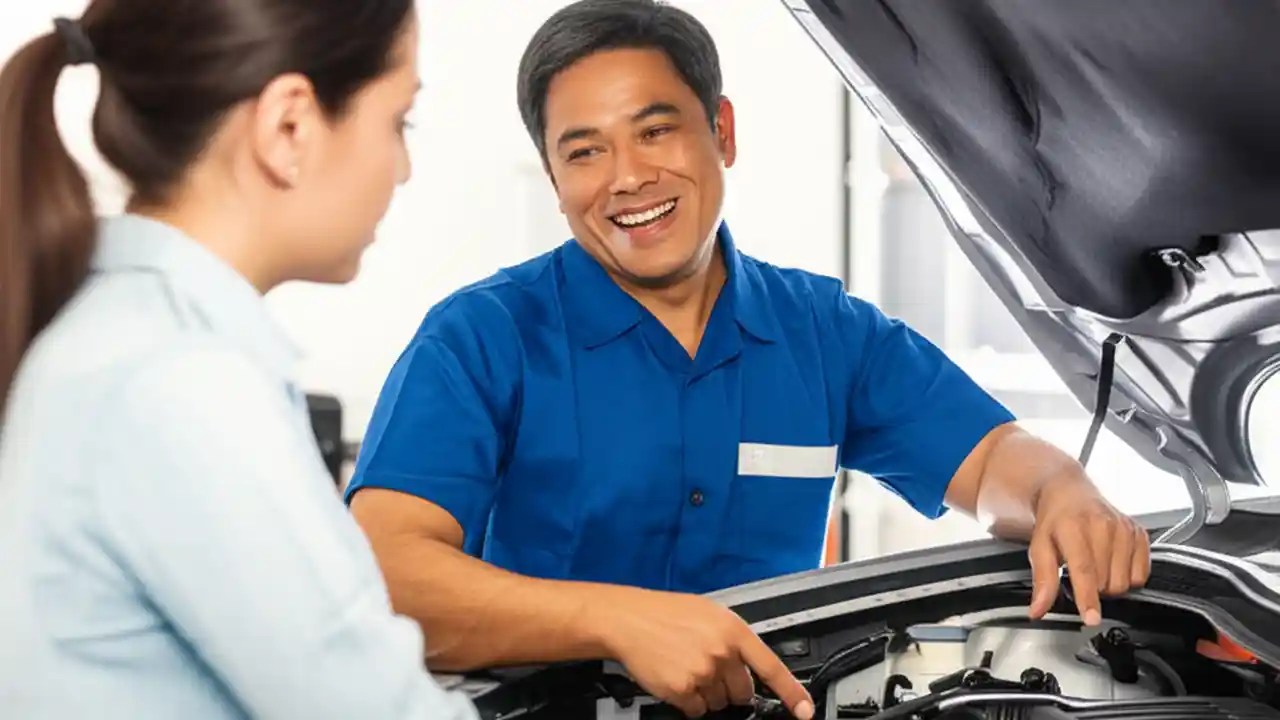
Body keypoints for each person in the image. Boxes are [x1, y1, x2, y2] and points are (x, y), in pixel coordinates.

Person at [344, 1, 1152, 718]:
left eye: (655, 131)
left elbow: (989, 462)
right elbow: (382, 576)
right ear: (555, 179)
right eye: (584, 152)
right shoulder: (480, 338)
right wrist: (618, 619)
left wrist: (1062, 492)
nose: (628, 178)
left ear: (721, 132)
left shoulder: (824, 331)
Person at [0, 3, 477, 719]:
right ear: (289, 126)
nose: (402, 168)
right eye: (397, 122)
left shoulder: (126, 341)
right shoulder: (176, 381)